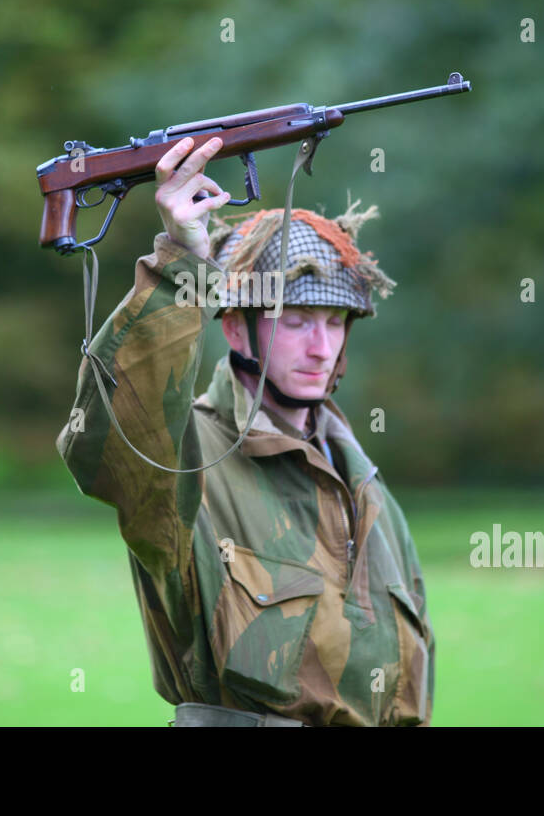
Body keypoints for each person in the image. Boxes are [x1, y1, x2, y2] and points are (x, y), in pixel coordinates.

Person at [56, 134, 434, 726]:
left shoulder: (365, 485)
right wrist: (182, 262)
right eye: (296, 319)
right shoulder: (186, 458)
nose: (321, 346)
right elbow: (109, 438)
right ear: (235, 330)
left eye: (335, 322)